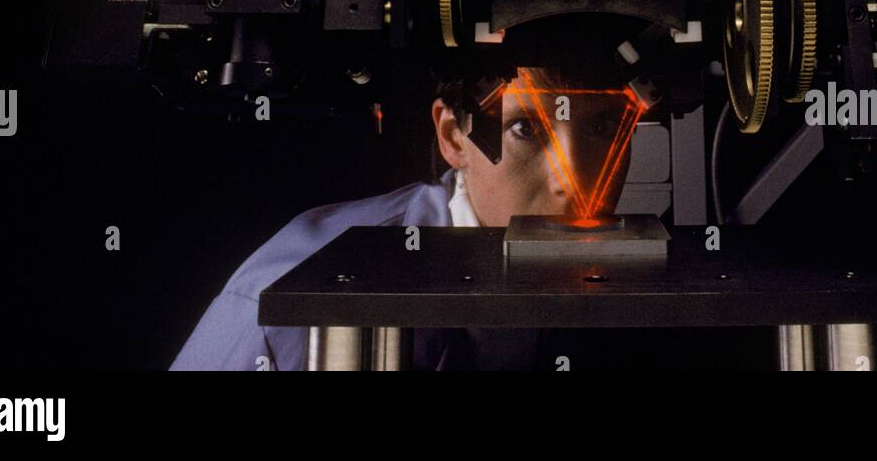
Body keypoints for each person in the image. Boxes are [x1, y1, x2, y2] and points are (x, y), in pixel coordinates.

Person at [170, 64, 641, 370]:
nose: (576, 179)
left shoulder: (628, 295)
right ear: (454, 138)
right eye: (526, 129)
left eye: (604, 127)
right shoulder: (286, 308)